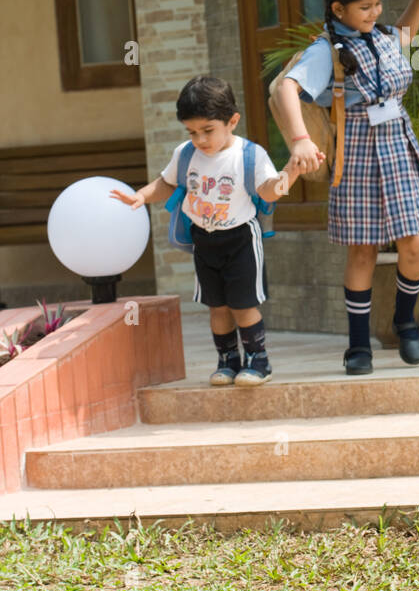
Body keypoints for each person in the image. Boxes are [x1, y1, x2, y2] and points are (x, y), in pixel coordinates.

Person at [278, 0, 419, 376]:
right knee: (363, 250)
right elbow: (286, 88)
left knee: (415, 243)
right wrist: (300, 140)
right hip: (359, 150)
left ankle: (406, 322)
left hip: (399, 147)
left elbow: (401, 38)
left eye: (378, 4)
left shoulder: (380, 33)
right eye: (365, 7)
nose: (374, 12)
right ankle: (359, 346)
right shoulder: (323, 50)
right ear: (337, 9)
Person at [111, 75, 310, 386]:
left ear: (232, 121)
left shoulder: (249, 154)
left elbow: (269, 192)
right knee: (217, 306)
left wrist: (291, 171)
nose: (200, 140)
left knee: (243, 305)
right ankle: (228, 360)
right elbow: (168, 183)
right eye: (192, 132)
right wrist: (142, 195)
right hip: (204, 240)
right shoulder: (186, 154)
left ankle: (258, 361)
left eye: (207, 131)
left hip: (241, 239)